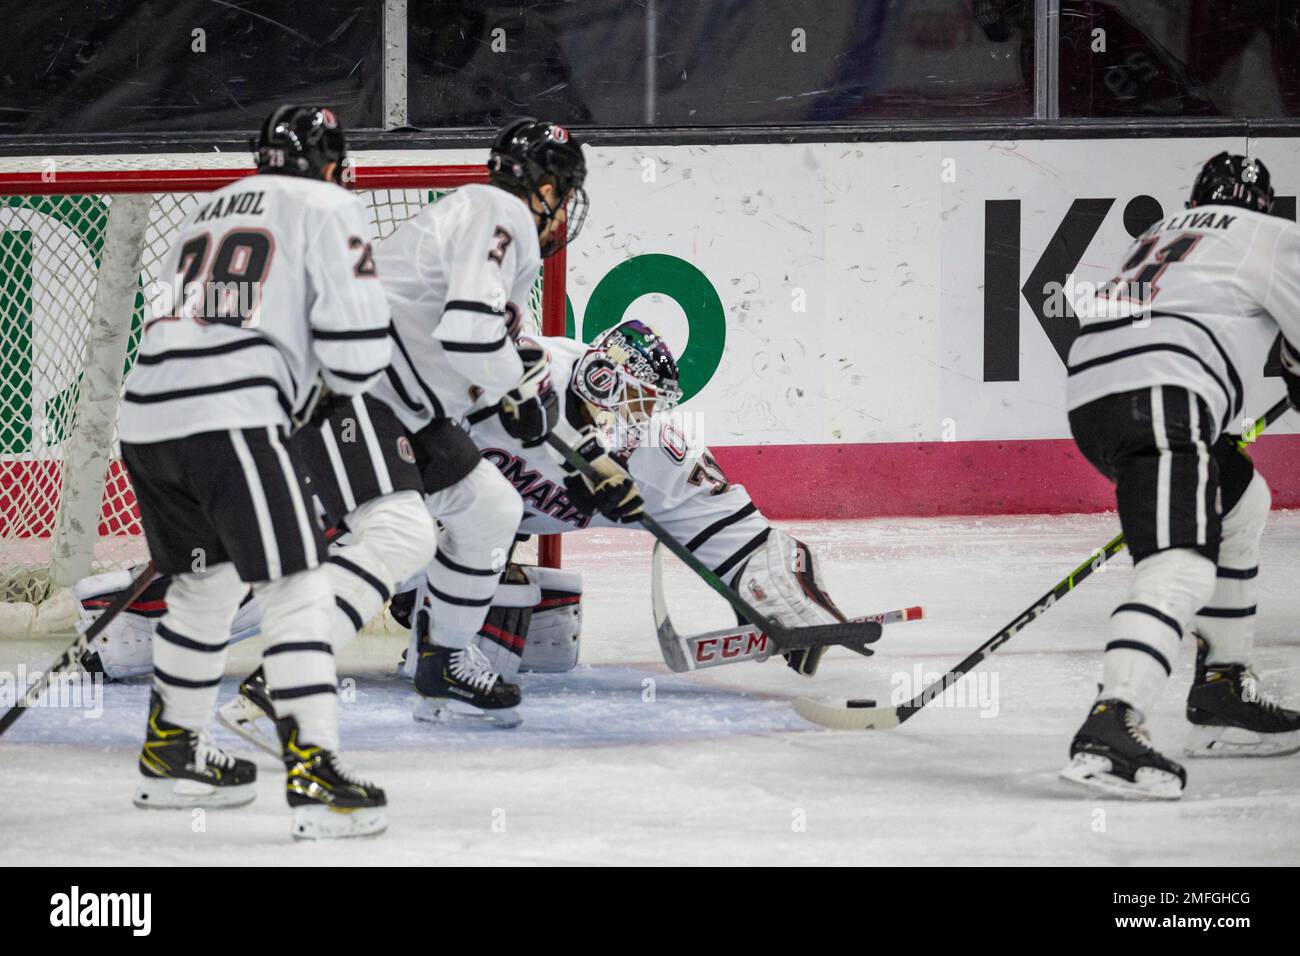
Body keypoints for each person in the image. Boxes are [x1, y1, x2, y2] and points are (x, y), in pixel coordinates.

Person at [117, 105, 408, 839]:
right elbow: (359, 348)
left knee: (206, 584)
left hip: (147, 419)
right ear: (333, 162)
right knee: (300, 584)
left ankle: (173, 754)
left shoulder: (209, 207)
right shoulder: (329, 202)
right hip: (231, 415)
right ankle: (313, 774)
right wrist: (316, 394)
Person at [1061, 152, 1300, 799]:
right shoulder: (1271, 234)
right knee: (1182, 565)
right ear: (1262, 203)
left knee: (1242, 502)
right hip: (1164, 392)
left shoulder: (1161, 234)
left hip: (1095, 403)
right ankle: (1112, 723)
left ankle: (1223, 685)